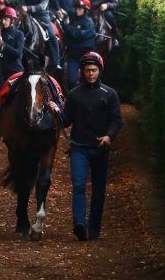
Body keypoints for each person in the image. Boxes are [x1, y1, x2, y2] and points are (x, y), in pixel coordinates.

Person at [46, 52, 122, 241]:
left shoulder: (110, 94)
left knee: (98, 190)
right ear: (82, 71)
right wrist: (56, 111)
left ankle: (94, 228)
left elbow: (117, 120)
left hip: (100, 148)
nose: (90, 74)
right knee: (79, 185)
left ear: (99, 71)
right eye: (87, 71)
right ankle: (79, 224)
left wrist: (109, 136)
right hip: (79, 148)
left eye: (94, 70)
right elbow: (65, 121)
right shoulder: (74, 94)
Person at [18, 0, 61, 70]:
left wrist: (28, 8)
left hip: (42, 17)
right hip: (26, 16)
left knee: (52, 36)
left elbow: (43, 5)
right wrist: (23, 8)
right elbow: (22, 0)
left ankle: (56, 62)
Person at [61, 0, 96, 89]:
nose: (77, 10)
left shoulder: (89, 23)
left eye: (80, 9)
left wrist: (68, 29)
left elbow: (79, 35)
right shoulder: (73, 21)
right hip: (73, 55)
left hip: (86, 56)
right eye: (76, 8)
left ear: (85, 10)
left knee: (88, 79)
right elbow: (67, 38)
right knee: (71, 81)